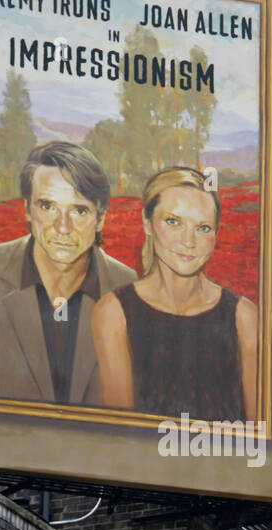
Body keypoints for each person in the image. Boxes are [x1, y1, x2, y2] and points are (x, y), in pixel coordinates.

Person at [0, 141, 135, 406]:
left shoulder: (131, 293)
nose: (62, 227)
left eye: (79, 210)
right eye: (48, 206)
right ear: (27, 209)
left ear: (101, 219)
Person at [92, 167, 258, 421]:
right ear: (147, 223)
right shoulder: (114, 312)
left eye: (203, 228)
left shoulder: (243, 316)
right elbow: (121, 433)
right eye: (173, 222)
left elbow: (260, 434)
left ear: (216, 234)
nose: (188, 241)